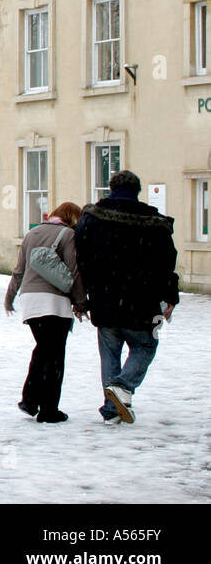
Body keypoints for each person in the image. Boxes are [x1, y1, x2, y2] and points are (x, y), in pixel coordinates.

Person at [74, 170, 179, 426]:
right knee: (146, 345)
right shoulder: (154, 223)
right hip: (142, 301)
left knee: (110, 353)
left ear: (111, 188)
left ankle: (112, 408)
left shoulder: (92, 219)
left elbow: (82, 260)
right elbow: (167, 263)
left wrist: (82, 298)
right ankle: (122, 386)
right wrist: (170, 297)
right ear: (138, 190)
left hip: (104, 299)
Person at [5, 201, 87, 423]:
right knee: (54, 356)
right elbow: (74, 271)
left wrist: (9, 297)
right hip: (55, 303)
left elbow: (19, 270)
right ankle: (49, 410)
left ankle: (30, 400)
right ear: (72, 219)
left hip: (30, 301)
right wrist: (81, 302)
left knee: (43, 350)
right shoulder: (68, 235)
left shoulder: (32, 233)